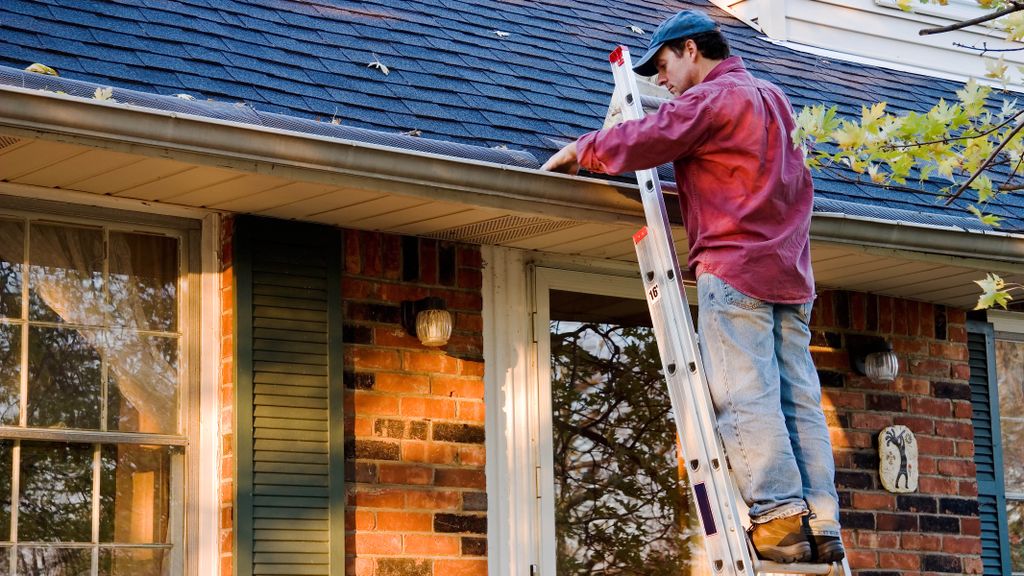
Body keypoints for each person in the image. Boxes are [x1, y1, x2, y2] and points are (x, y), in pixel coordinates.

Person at [541, 9, 845, 565]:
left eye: (661, 65)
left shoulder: (714, 98)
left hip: (736, 273)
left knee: (745, 395)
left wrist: (585, 149)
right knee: (798, 398)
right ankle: (821, 521)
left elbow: (655, 134)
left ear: (689, 50)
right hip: (790, 275)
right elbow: (784, 190)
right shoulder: (775, 99)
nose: (659, 82)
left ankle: (778, 519)